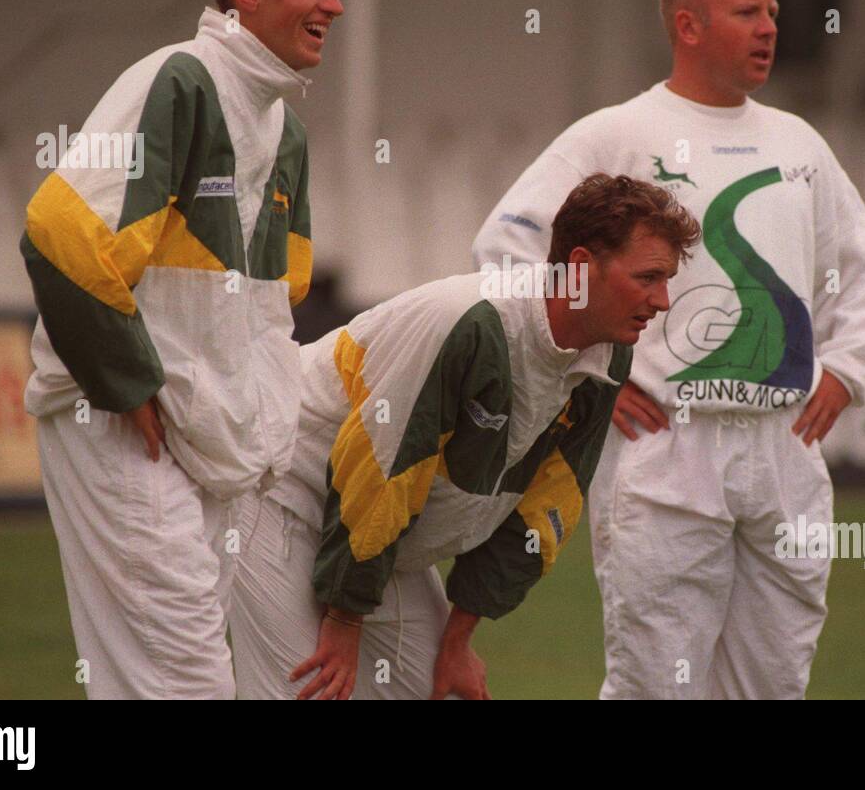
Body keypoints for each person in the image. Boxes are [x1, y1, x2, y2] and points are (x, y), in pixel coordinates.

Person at [472, 0, 865, 699]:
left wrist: (847, 369)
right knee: (655, 682)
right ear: (687, 25)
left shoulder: (800, 144)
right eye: (747, 12)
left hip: (786, 447)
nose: (769, 27)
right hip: (664, 446)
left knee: (774, 681)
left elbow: (861, 261)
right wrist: (589, 370)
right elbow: (506, 245)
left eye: (771, 11)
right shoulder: (618, 133)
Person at [19, 0, 343, 699]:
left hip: (208, 438)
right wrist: (127, 383)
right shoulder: (180, 81)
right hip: (130, 423)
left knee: (167, 679)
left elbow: (275, 301)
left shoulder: (283, 128)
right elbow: (58, 232)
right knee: (182, 681)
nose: (334, 3)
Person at [228, 175, 700, 699]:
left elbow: (545, 509)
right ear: (584, 266)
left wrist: (458, 641)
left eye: (667, 280)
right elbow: (380, 472)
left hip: (375, 534)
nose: (662, 301)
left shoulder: (608, 354)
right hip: (284, 493)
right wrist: (344, 622)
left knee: (445, 689)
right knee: (308, 693)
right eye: (649, 278)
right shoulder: (468, 324)